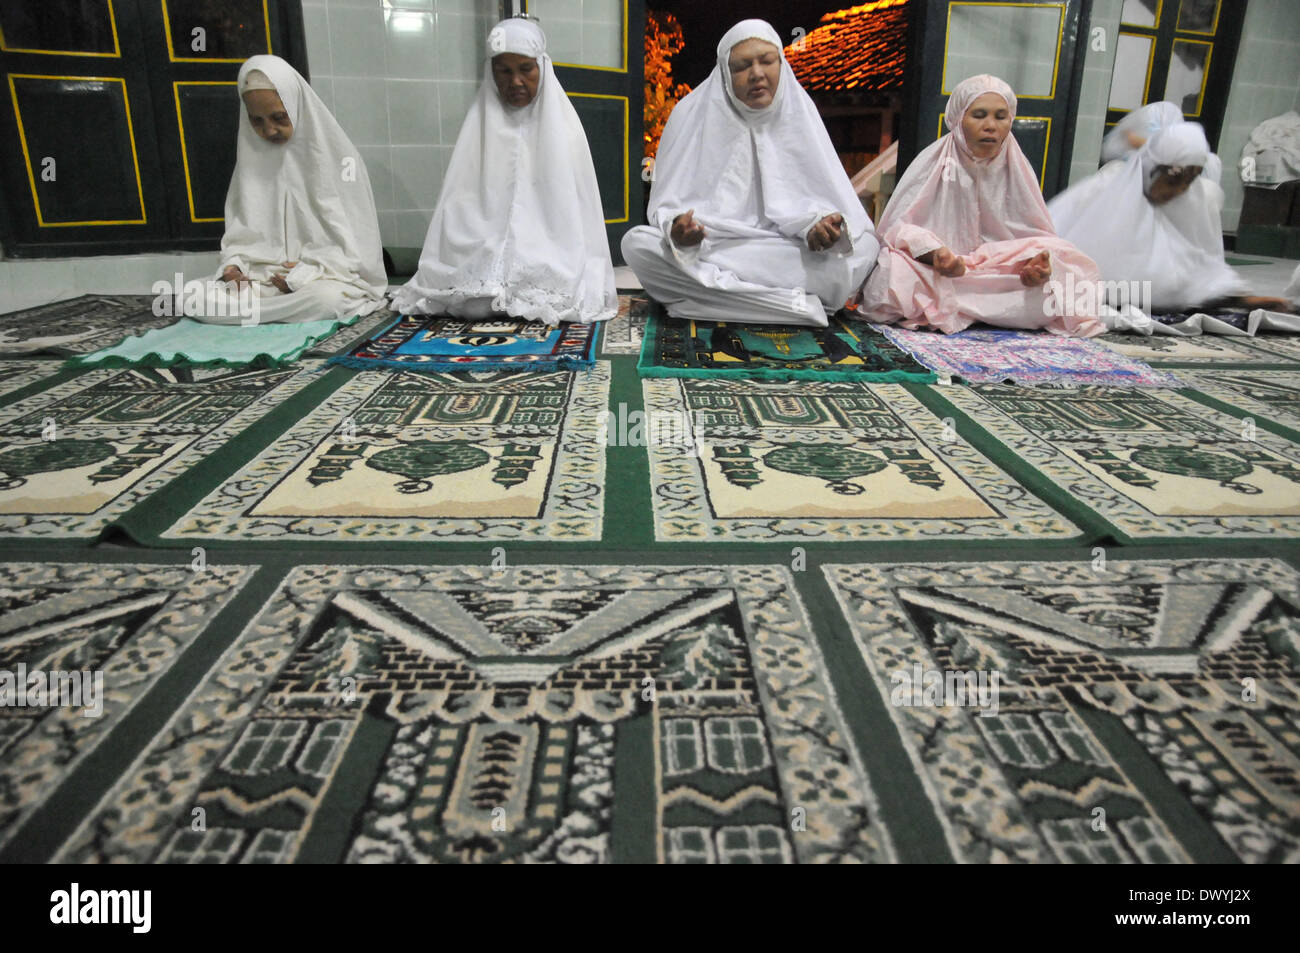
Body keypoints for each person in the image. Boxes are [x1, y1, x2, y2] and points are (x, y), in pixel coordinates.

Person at [620, 19, 877, 328]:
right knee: (638, 244)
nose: (756, 73)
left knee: (866, 249)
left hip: (781, 252)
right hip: (716, 248)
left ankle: (716, 301)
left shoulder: (800, 113)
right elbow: (668, 208)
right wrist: (680, 233)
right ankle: (795, 307)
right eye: (742, 66)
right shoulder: (689, 115)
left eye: (767, 61)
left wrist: (818, 229)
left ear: (781, 65)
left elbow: (829, 203)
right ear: (725, 74)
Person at [392, 17, 616, 325]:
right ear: (491, 72)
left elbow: (573, 222)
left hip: (548, 255)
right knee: (474, 307)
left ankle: (515, 292)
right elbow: (460, 209)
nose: (516, 82)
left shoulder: (566, 132)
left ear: (542, 68)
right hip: (487, 251)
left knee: (549, 298)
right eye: (504, 71)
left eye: (526, 69)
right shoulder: (478, 129)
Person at [856, 74, 1104, 336]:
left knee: (1072, 269)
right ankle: (987, 309)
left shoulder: (1016, 166)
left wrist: (1036, 268)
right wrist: (936, 253)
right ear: (958, 119)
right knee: (891, 272)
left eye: (1000, 116)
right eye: (979, 115)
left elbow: (1038, 237)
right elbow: (897, 229)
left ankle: (960, 308)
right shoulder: (933, 162)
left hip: (1001, 276)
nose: (990, 126)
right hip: (941, 274)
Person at [185, 55, 387, 326]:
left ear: (296, 104)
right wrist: (233, 268)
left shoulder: (341, 160)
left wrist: (304, 274)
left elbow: (360, 248)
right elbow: (240, 235)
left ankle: (255, 315)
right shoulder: (249, 164)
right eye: (257, 121)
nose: (269, 130)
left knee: (327, 300)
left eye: (279, 117)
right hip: (262, 279)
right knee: (193, 295)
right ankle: (267, 311)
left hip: (319, 281)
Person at [1050, 104, 1292, 313]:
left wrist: (1236, 296)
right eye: (1174, 181)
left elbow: (1205, 263)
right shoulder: (1105, 189)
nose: (1180, 191)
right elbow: (1052, 238)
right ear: (1151, 168)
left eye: (1190, 181)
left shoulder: (1194, 200)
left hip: (1152, 293)